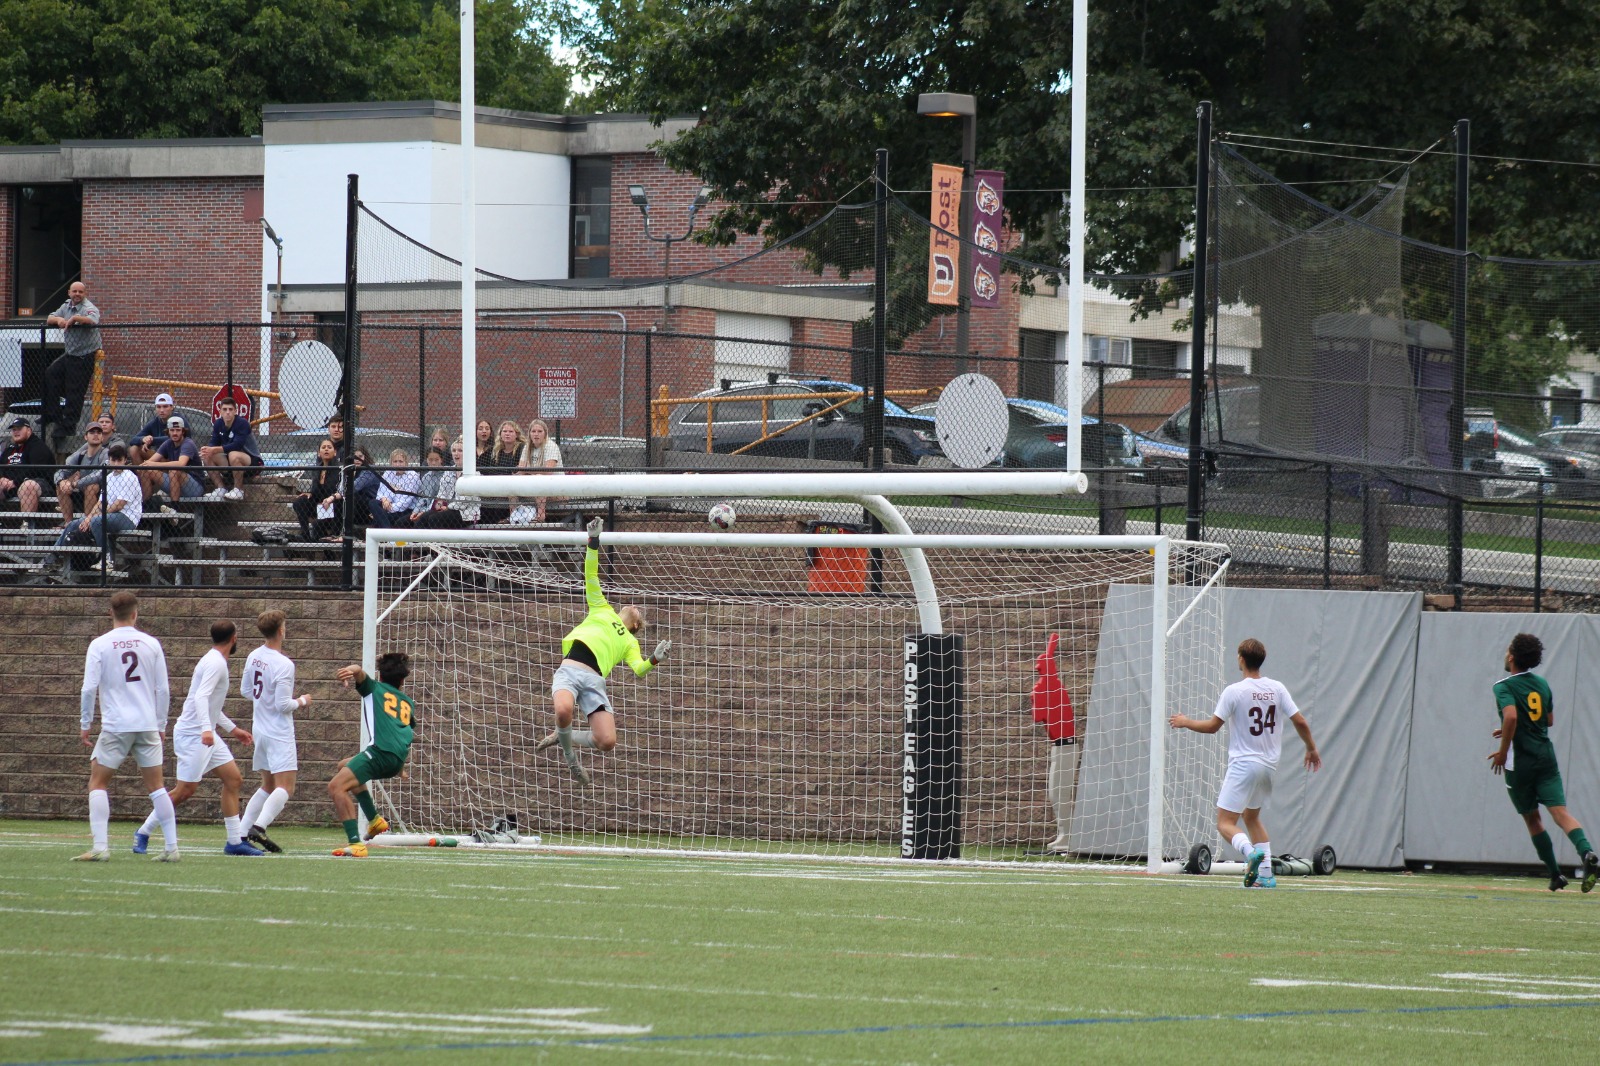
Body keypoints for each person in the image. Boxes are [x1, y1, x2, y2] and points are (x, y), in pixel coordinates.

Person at [1169, 638, 1320, 889]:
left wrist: (1185, 721)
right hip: (1269, 767)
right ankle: (1267, 877)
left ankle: (1251, 855)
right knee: (1252, 818)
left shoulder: (1235, 691)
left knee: (1225, 823)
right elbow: (1301, 721)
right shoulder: (1277, 688)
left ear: (1241, 658)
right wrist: (1311, 748)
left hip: (1244, 764)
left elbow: (1212, 727)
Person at [535, 517, 670, 785]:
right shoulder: (602, 607)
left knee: (607, 741)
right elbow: (591, 575)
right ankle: (570, 757)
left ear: (634, 626)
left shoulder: (631, 643)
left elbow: (639, 669)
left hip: (594, 682)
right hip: (571, 668)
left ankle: (562, 736)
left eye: (638, 613)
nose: (635, 606)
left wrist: (654, 658)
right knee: (563, 711)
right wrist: (593, 542)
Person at [130, 620, 265, 857]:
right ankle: (143, 832)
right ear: (234, 638)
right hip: (194, 734)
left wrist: (233, 730)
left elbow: (210, 704)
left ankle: (234, 842)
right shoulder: (216, 663)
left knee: (233, 780)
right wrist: (205, 729)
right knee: (184, 790)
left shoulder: (215, 660)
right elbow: (201, 697)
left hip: (205, 732)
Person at [1489, 632, 1600, 892]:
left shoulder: (1503, 686)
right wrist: (1509, 730)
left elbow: (1512, 718)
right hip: (1546, 757)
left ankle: (1555, 875)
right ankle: (1587, 853)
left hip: (1522, 764)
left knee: (1532, 818)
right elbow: (1547, 720)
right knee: (1560, 812)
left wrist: (1503, 750)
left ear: (1512, 656)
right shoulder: (1542, 684)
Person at [74, 591, 177, 861]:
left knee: (98, 782)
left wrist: (86, 722)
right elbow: (163, 689)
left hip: (117, 725)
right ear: (135, 613)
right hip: (146, 724)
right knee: (157, 787)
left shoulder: (100, 644)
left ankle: (100, 848)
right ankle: (171, 848)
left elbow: (88, 688)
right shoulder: (151, 643)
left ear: (111, 613)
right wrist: (161, 723)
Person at [328, 652, 418, 858]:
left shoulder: (374, 688)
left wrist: (349, 671)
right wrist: (401, 768)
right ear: (403, 679)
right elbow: (404, 732)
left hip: (379, 753)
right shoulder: (407, 703)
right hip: (395, 760)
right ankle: (375, 820)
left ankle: (355, 844)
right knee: (344, 765)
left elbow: (359, 672)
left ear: (380, 674)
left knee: (335, 787)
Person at [238, 610, 312, 853]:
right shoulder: (284, 664)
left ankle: (241, 833)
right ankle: (258, 827)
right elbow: (283, 705)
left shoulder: (254, 655)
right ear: (281, 630)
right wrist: (302, 700)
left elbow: (246, 691)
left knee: (268, 785)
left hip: (259, 728)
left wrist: (265, 699)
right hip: (278, 732)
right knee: (285, 787)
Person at [50, 442, 141, 558]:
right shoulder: (109, 477)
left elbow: (119, 505)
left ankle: (106, 558)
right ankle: (51, 558)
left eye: (119, 460)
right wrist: (88, 518)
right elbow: (100, 502)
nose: (116, 464)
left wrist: (93, 518)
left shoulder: (129, 477)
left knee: (96, 521)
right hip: (110, 515)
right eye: (113, 460)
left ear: (125, 460)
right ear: (109, 460)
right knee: (73, 524)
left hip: (128, 518)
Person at [41, 281, 102, 452]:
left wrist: (75, 319)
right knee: (50, 373)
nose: (77, 294)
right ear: (69, 292)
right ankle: (51, 415)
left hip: (85, 355)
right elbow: (49, 318)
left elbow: (92, 320)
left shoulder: (88, 307)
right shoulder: (66, 305)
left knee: (74, 390)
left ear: (85, 293)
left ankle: (68, 426)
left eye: (80, 292)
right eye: (74, 291)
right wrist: (60, 319)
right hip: (70, 353)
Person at [200, 397, 262, 500]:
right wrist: (208, 449)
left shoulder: (242, 423)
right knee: (207, 455)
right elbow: (214, 442)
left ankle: (238, 490)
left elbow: (237, 445)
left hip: (252, 462)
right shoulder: (218, 424)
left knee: (234, 454)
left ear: (235, 411)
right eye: (224, 409)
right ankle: (221, 489)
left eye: (230, 409)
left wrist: (214, 449)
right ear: (220, 411)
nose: (227, 412)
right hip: (230, 462)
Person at [53, 421, 111, 526]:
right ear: (86, 437)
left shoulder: (105, 453)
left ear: (103, 437)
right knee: (60, 486)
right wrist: (61, 481)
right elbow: (61, 471)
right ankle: (69, 524)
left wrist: (76, 483)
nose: (96, 435)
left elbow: (99, 475)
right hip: (81, 492)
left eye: (99, 432)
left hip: (103, 495)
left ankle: (88, 525)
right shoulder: (80, 455)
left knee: (92, 486)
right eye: (92, 432)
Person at [413, 438, 479, 529]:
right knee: (423, 518)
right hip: (446, 508)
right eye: (454, 450)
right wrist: (440, 505)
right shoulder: (448, 472)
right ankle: (418, 543)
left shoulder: (473, 474)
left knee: (435, 518)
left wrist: (447, 507)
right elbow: (441, 494)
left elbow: (464, 501)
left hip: (465, 513)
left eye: (460, 450)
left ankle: (438, 542)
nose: (456, 453)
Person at [1, 415, 54, 521]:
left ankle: (26, 527)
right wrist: (2, 478)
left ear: (29, 430)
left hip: (39, 484)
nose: (16, 432)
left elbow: (35, 471)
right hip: (12, 485)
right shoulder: (10, 449)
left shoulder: (37, 446)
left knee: (28, 485)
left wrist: (14, 482)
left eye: (19, 429)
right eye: (14, 430)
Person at [138, 416, 204, 502]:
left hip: (195, 487)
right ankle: (146, 504)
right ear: (168, 431)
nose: (175, 433)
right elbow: (150, 461)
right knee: (146, 470)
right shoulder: (168, 443)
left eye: (178, 430)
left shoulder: (188, 443)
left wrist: (154, 464)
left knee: (174, 471)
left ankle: (175, 508)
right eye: (172, 430)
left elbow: (181, 464)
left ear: (183, 431)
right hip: (175, 483)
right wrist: (142, 467)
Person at [292, 438, 343, 540]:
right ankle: (305, 534)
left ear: (335, 452)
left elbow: (339, 492)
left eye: (329, 447)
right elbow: (316, 491)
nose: (326, 450)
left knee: (318, 525)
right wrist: (309, 494)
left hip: (334, 507)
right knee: (299, 502)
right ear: (319, 453)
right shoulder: (317, 469)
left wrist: (327, 500)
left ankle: (328, 550)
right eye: (323, 447)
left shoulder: (339, 469)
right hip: (319, 506)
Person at [517, 418, 563, 522]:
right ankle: (514, 515)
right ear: (529, 434)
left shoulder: (551, 446)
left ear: (545, 433)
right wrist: (521, 472)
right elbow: (520, 470)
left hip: (556, 490)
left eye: (539, 431)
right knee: (513, 482)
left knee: (539, 479)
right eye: (533, 431)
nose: (536, 434)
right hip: (532, 488)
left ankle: (540, 516)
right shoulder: (527, 447)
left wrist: (527, 470)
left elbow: (548, 471)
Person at [479, 420, 522, 524]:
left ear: (516, 434)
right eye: (504, 431)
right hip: (496, 486)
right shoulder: (495, 450)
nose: (507, 433)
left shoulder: (521, 448)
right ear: (500, 434)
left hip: (513, 487)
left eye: (511, 431)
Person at [368, 448, 421, 527]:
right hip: (387, 506)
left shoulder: (413, 476)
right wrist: (384, 499)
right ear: (391, 463)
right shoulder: (388, 473)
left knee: (378, 520)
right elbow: (381, 493)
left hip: (405, 510)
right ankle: (387, 530)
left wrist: (389, 509)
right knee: (373, 503)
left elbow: (405, 503)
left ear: (406, 462)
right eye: (395, 461)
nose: (398, 464)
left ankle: (386, 531)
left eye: (400, 461)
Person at [129, 393, 178, 465]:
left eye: (165, 406)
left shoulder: (179, 420)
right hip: (160, 457)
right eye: (158, 407)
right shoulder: (154, 422)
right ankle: (141, 475)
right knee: (134, 449)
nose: (161, 410)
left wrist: (152, 440)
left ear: (172, 407)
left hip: (177, 460)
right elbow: (133, 440)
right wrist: (143, 439)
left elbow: (173, 438)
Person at [411, 446, 448, 519]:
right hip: (424, 509)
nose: (433, 463)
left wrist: (423, 512)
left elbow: (438, 500)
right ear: (427, 460)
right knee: (401, 522)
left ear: (441, 460)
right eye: (430, 460)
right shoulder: (426, 477)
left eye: (436, 460)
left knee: (422, 520)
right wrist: (415, 511)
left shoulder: (446, 475)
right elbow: (422, 498)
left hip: (438, 509)